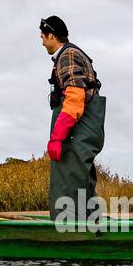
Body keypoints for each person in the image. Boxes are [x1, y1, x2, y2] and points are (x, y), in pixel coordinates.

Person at [40, 16, 106, 221]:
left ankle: (68, 233)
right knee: (81, 179)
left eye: (43, 37)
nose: (42, 42)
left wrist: (57, 137)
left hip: (76, 130)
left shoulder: (67, 55)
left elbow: (75, 97)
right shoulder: (73, 54)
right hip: (86, 128)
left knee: (68, 180)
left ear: (52, 35)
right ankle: (92, 226)